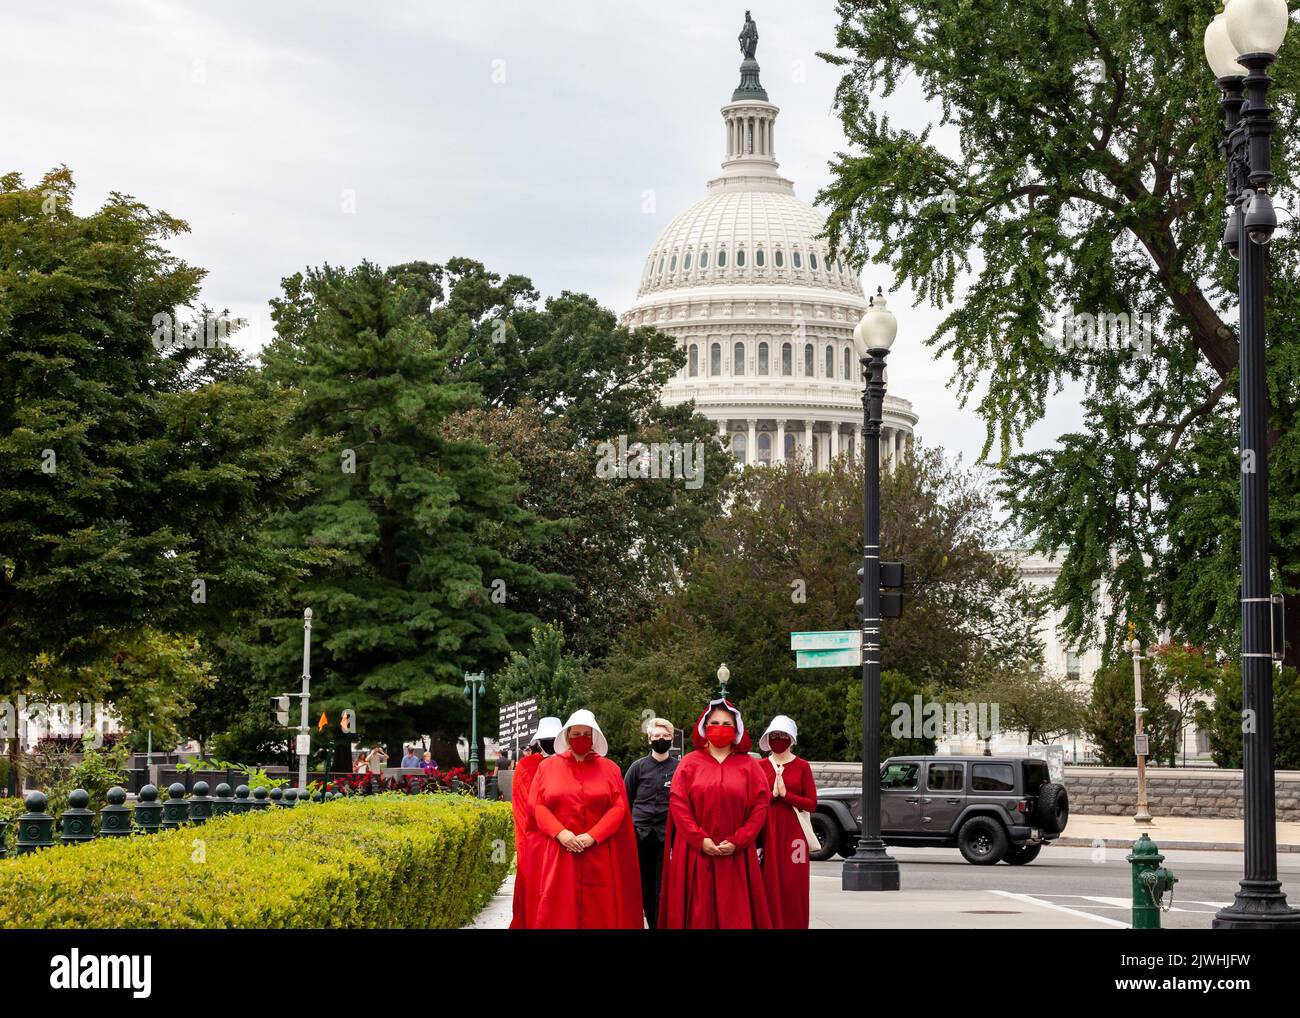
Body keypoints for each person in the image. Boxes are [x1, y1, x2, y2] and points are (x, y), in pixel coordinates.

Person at [658, 697, 771, 929]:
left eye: (727, 724)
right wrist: (700, 839)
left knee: (736, 916)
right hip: (695, 854)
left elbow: (760, 807)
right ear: (704, 727)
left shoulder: (749, 767)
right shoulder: (689, 763)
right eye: (715, 722)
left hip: (736, 857)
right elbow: (679, 804)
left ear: (737, 729)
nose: (721, 728)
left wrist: (738, 840)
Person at [526, 709, 642, 929]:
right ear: (567, 736)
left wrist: (593, 835)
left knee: (600, 910)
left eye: (586, 734)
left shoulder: (610, 769)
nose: (581, 738)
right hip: (560, 852)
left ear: (594, 737)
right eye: (576, 733)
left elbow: (618, 808)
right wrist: (561, 833)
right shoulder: (546, 768)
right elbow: (537, 805)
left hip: (599, 853)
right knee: (558, 908)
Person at [756, 714, 817, 929]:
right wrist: (773, 794)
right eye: (774, 735)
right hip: (768, 833)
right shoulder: (760, 766)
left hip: (794, 836)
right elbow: (754, 802)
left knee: (794, 886)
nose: (778, 739)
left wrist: (786, 794)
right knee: (768, 885)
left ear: (791, 738)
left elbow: (811, 803)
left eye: (782, 735)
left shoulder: (802, 766)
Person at [623, 717, 678, 928]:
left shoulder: (679, 769)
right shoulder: (637, 768)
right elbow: (625, 801)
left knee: (662, 886)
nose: (661, 739)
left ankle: (659, 923)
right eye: (656, 736)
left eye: (665, 736)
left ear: (672, 739)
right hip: (640, 835)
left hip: (667, 837)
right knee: (642, 883)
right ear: (649, 739)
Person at [509, 716, 562, 929]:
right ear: (538, 742)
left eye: (553, 738)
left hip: (562, 839)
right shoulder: (526, 766)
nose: (548, 742)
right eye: (545, 738)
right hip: (536, 840)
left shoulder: (570, 763)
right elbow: (522, 808)